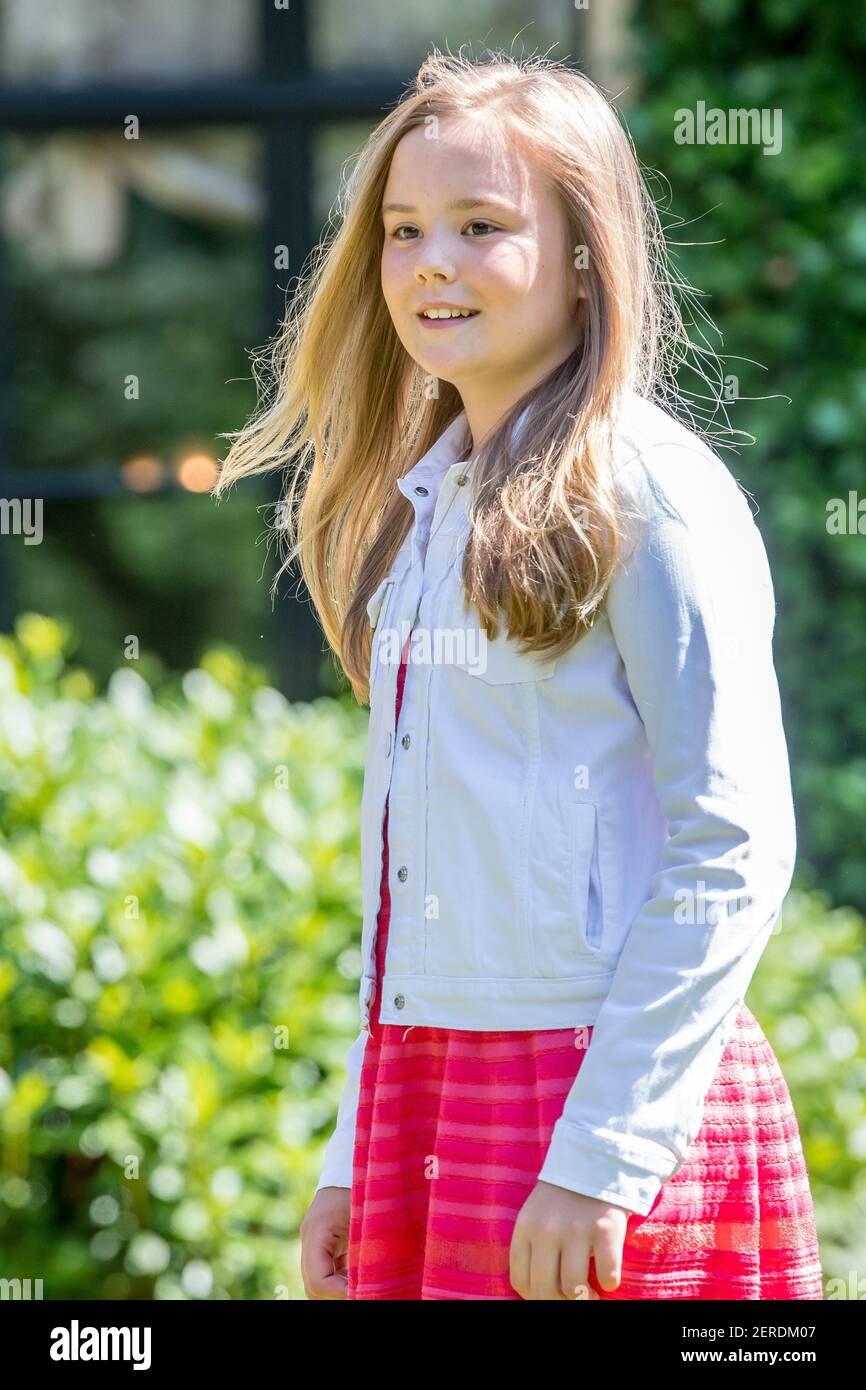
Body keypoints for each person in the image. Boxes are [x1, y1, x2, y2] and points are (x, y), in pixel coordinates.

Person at [214, 48, 823, 1301]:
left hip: (605, 1116)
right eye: (402, 228)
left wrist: (602, 1158)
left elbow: (735, 845)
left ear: (588, 253)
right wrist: (350, 1147)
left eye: (480, 226)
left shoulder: (651, 494)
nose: (430, 261)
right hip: (427, 1091)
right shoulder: (422, 508)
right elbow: (406, 884)